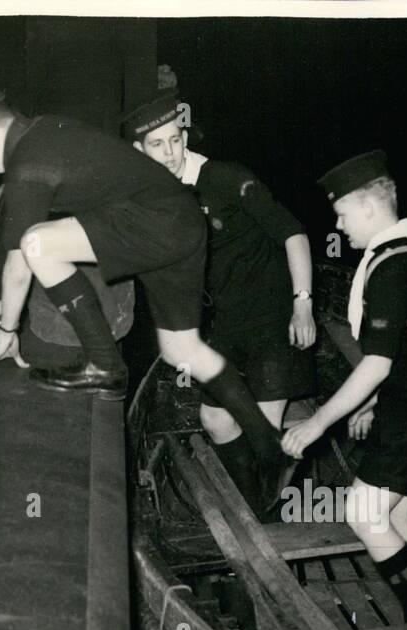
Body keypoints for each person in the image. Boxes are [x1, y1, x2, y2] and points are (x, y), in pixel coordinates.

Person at [0, 71, 288, 497]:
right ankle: (272, 447)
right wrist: (6, 304)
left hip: (152, 227)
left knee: (38, 245)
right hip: (181, 223)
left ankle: (104, 365)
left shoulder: (26, 167)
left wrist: (8, 331)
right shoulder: (46, 127)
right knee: (182, 351)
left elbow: (20, 262)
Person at [282, 151, 407, 630]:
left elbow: (377, 362)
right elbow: (405, 348)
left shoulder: (394, 265)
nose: (339, 225)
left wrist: (319, 423)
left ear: (370, 206)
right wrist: (368, 403)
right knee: (401, 513)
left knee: (363, 512)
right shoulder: (405, 253)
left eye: (343, 213)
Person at [125, 91, 317, 514]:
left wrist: (303, 302)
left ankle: (266, 514)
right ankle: (254, 506)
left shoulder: (228, 177)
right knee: (215, 419)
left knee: (264, 431)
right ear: (140, 151)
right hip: (226, 320)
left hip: (273, 314)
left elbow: (293, 233)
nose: (170, 152)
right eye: (157, 145)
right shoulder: (156, 196)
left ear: (185, 135)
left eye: (176, 139)